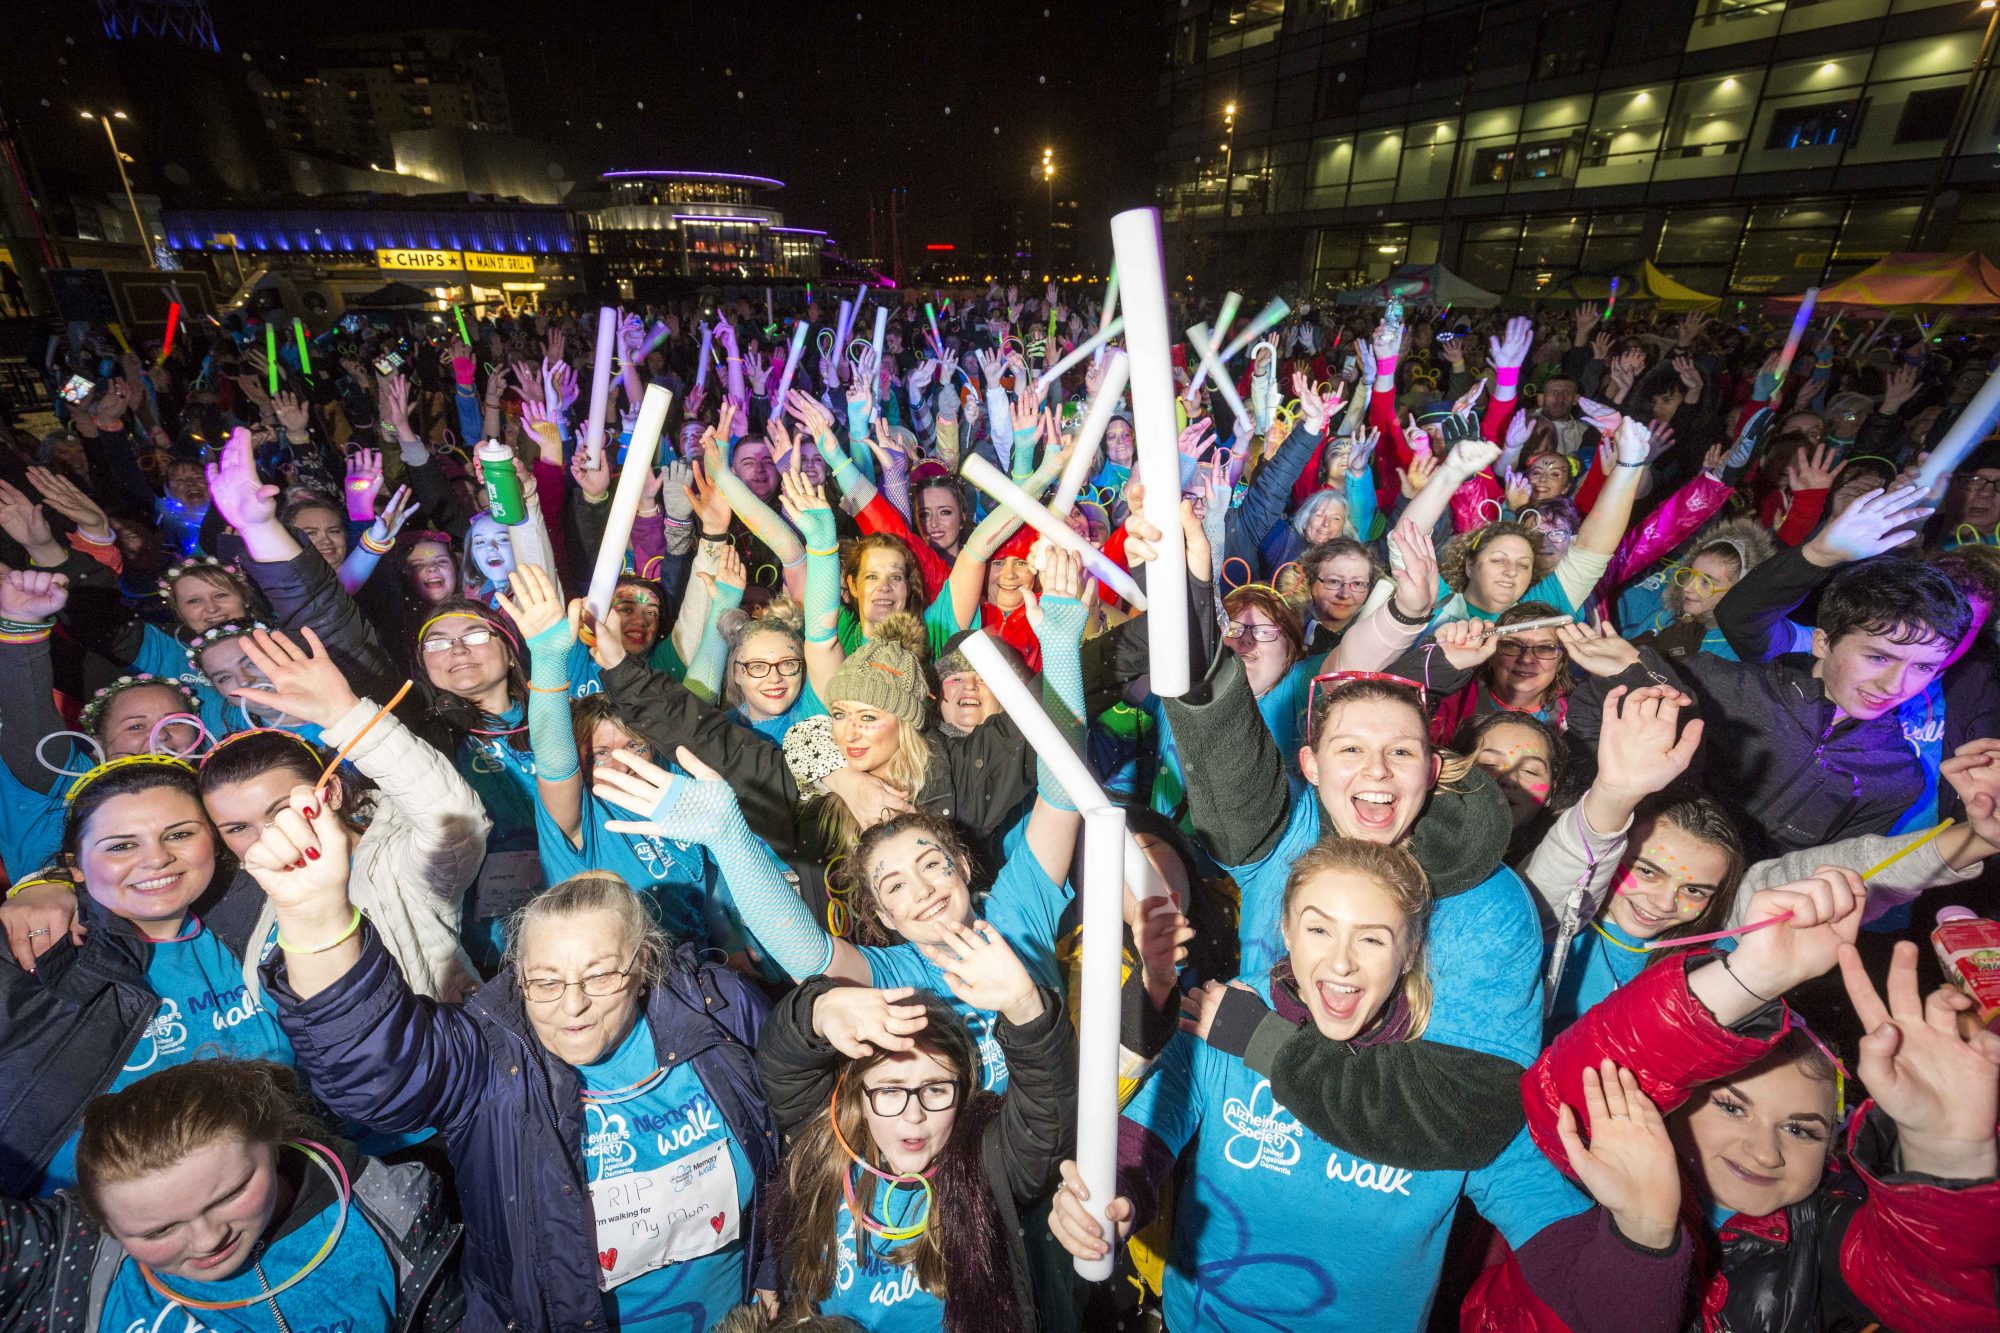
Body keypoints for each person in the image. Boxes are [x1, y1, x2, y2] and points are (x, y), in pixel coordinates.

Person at [1046, 838, 1693, 1333]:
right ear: (1287, 932)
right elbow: (1142, 1137)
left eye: (1373, 938)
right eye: (1319, 928)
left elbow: (1604, 1311)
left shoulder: (1455, 1094)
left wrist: (1646, 1231)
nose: (1341, 961)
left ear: (1409, 952)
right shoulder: (1229, 1021)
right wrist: (1109, 1197)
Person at [250, 806, 780, 1330]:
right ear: (518, 976)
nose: (573, 1006)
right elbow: (377, 1071)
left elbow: (784, 1138)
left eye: (600, 977)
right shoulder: (492, 1059)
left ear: (641, 964)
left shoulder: (719, 1009)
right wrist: (316, 919)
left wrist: (774, 1264)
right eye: (545, 982)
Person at [1503, 869, 2000, 1331]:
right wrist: (1748, 979)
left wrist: (1946, 1153)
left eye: (1801, 1129)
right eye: (1733, 1107)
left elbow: (1935, 1291)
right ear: (1672, 1104)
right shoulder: (1583, 1188)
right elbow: (1565, 1098)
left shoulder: (1827, 1234)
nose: (1765, 1153)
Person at [0, 758, 291, 1196]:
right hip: (91, 1227)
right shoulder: (29, 951)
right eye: (120, 846)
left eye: (179, 834)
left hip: (283, 1199)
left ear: (213, 841)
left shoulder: (260, 923)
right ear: (74, 866)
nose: (157, 859)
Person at [0, 1059, 464, 1330]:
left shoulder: (392, 1211)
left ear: (274, 1142)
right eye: (157, 1230)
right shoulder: (63, 1253)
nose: (208, 1240)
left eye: (231, 1194)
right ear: (101, 1221)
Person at [758, 937, 1073, 1327]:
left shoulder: (983, 1167)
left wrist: (1026, 1008)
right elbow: (781, 1066)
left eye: (935, 1089)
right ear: (859, 1095)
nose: (913, 1115)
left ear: (961, 1092)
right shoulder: (828, 1147)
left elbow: (1045, 1120)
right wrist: (817, 1009)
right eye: (891, 1091)